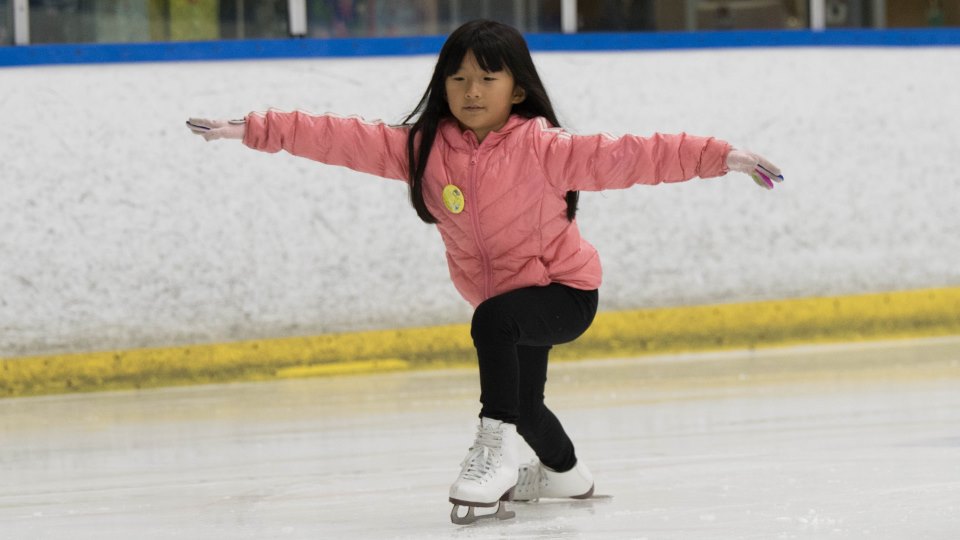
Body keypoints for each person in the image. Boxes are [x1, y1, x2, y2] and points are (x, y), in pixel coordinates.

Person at [186, 19, 783, 525]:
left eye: (487, 78)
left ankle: (491, 451)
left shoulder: (547, 149)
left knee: (494, 321)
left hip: (564, 293)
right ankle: (569, 477)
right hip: (508, 306)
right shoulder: (420, 151)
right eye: (458, 77)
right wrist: (251, 130)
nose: (471, 90)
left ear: (517, 90)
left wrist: (722, 156)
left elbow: (634, 154)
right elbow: (339, 138)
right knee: (525, 400)